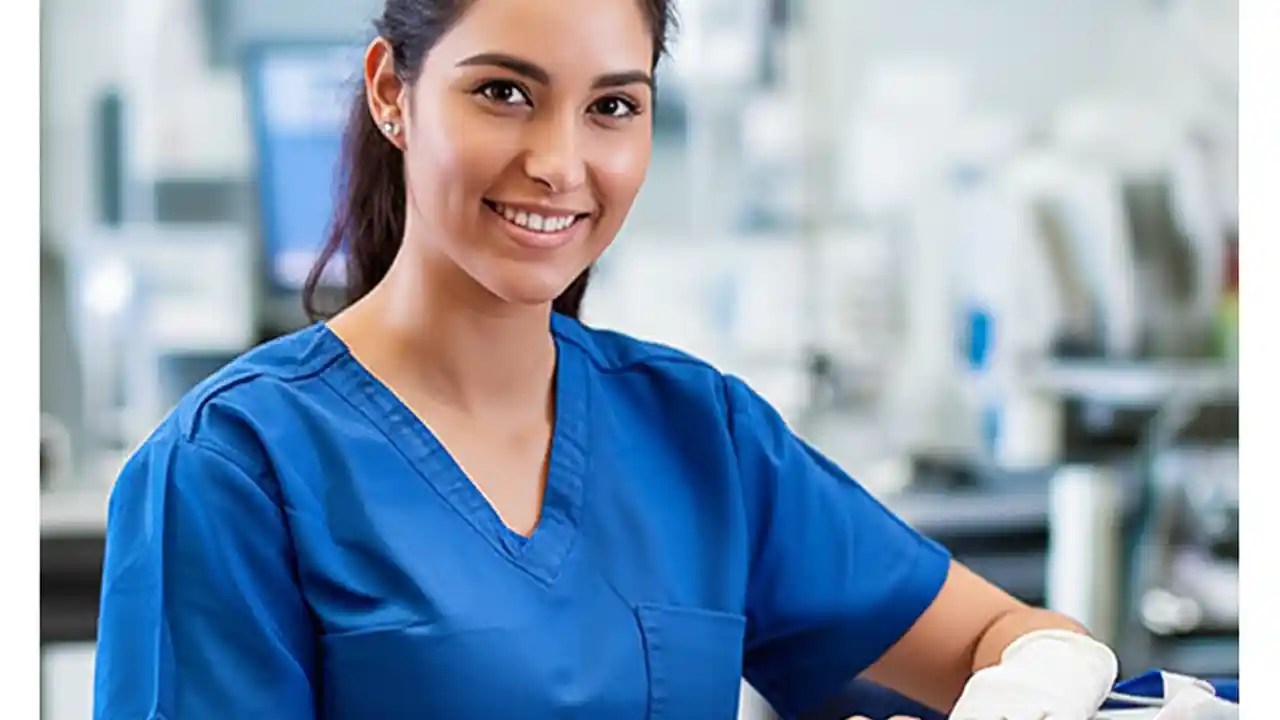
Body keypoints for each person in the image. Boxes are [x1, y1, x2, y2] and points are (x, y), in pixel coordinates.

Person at [91, 0, 1121, 718]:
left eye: (612, 106)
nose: (558, 161)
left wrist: (1019, 696)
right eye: (502, 92)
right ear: (391, 92)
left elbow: (1012, 637)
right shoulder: (235, 466)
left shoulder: (697, 438)